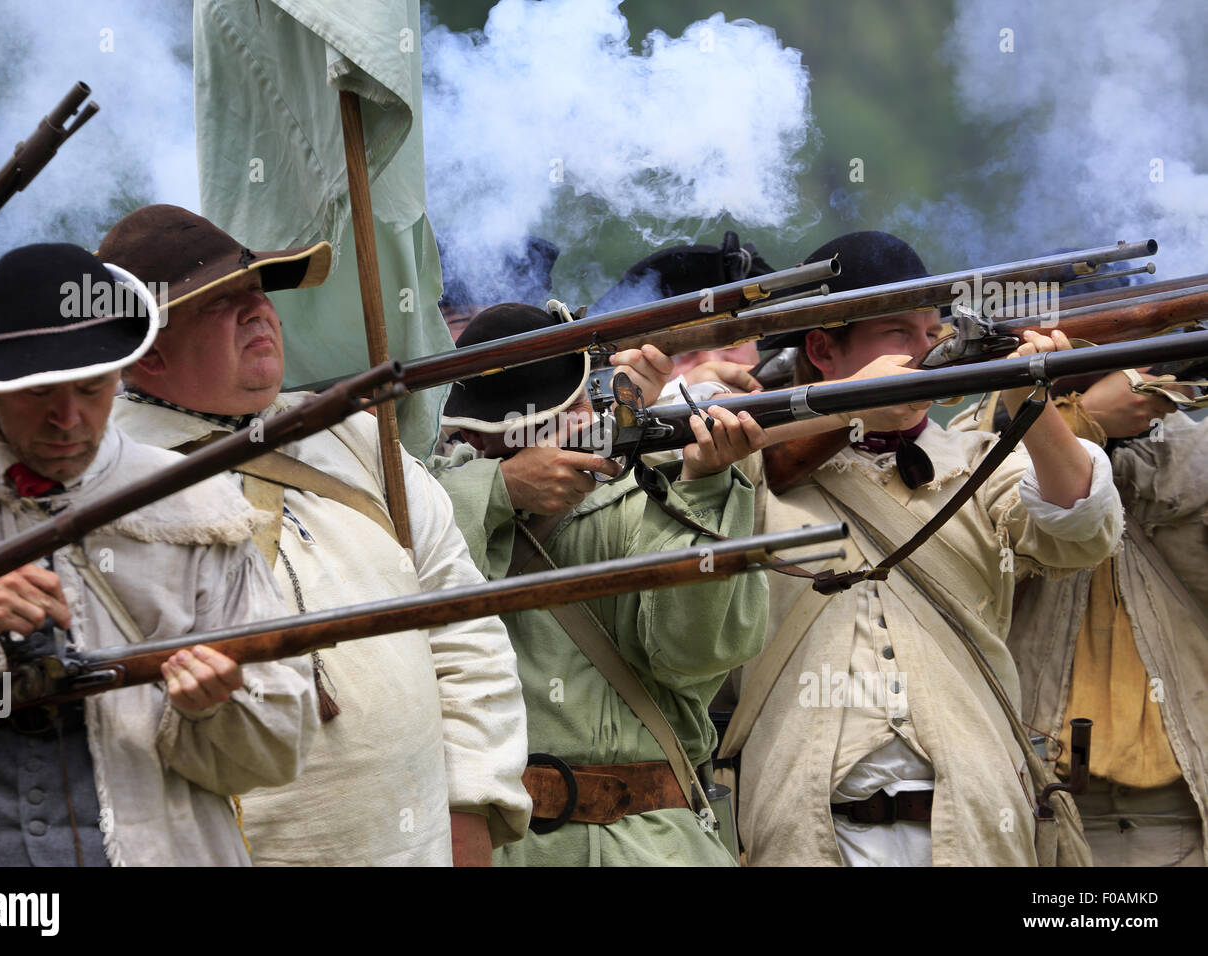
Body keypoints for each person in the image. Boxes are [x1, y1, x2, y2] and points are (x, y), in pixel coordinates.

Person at [99, 204, 530, 866]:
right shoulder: (101, 489)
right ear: (149, 351)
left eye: (256, 291)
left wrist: (471, 810)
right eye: (219, 301)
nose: (258, 312)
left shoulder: (360, 439)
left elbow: (463, 629)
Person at [0, 243, 316, 866]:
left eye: (92, 389)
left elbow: (274, 755)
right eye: (40, 392)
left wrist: (216, 705)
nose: (68, 419)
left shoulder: (199, 506)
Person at [726, 231, 1124, 866]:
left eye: (934, 330)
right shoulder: (750, 472)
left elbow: (1083, 528)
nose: (928, 349)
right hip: (803, 829)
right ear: (823, 349)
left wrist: (1030, 395)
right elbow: (677, 480)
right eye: (898, 334)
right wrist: (846, 414)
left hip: (974, 824)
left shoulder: (977, 462)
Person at [431, 301, 769, 866]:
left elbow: (696, 654)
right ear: (477, 439)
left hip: (653, 842)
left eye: (577, 407)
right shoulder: (436, 500)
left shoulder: (647, 493)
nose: (579, 424)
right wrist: (500, 491)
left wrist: (705, 486)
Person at [963, 370, 1208, 865]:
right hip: (1037, 798)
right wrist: (1076, 424)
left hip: (1178, 801)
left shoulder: (1183, 446)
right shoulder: (975, 439)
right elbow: (972, 548)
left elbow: (1185, 489)